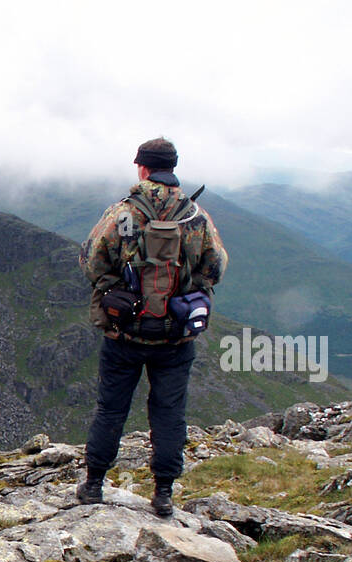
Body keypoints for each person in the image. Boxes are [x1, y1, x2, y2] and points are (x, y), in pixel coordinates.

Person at [76, 137, 228, 517]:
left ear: (142, 168)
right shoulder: (196, 216)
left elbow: (91, 260)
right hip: (176, 337)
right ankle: (163, 494)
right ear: (172, 169)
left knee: (111, 409)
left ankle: (94, 484)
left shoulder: (122, 214)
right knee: (169, 412)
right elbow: (216, 267)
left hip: (124, 333)